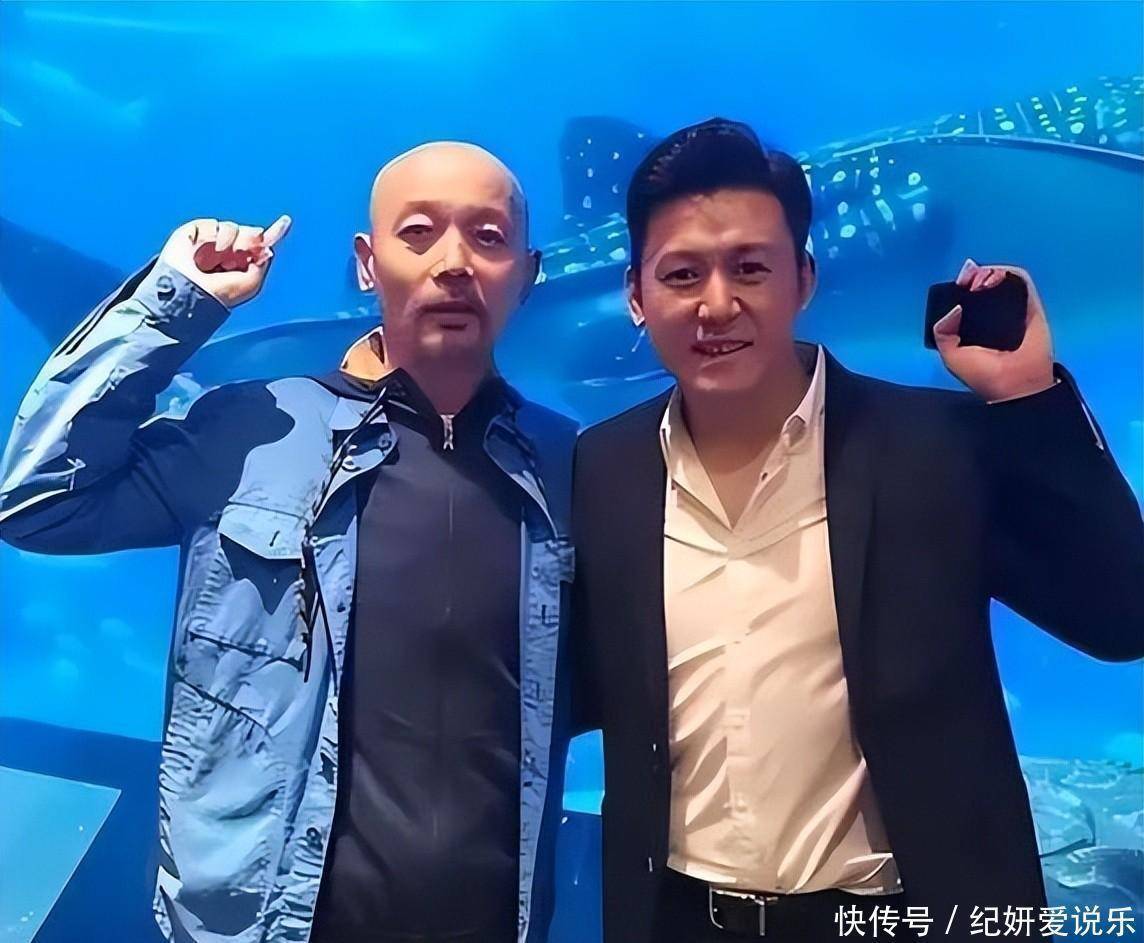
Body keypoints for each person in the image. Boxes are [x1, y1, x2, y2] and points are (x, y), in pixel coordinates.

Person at [571, 118, 1144, 942]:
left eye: (751, 267)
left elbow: (1121, 615)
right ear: (636, 294)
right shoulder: (602, 467)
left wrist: (1031, 400)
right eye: (682, 273)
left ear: (804, 277)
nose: (717, 304)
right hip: (681, 919)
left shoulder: (934, 448)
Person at [0, 141, 577, 943]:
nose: (453, 263)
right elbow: (37, 501)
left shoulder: (572, 466)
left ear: (529, 271)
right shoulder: (247, 430)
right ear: (367, 264)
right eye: (418, 233)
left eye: (488, 236)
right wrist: (176, 304)